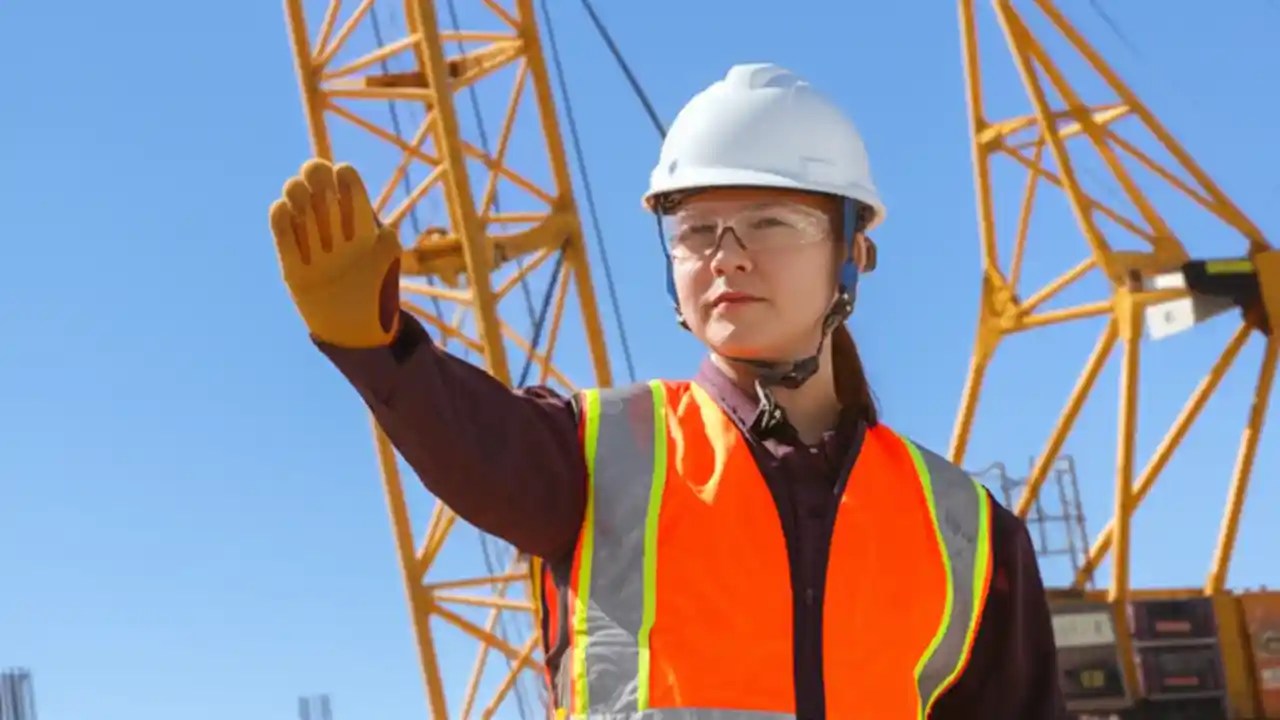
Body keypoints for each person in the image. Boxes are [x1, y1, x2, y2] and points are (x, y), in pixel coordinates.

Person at [269, 63, 1066, 719]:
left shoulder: (967, 530)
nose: (727, 255)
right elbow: (470, 441)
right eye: (695, 231)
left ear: (853, 253)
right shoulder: (594, 455)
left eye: (772, 222)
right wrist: (377, 348)